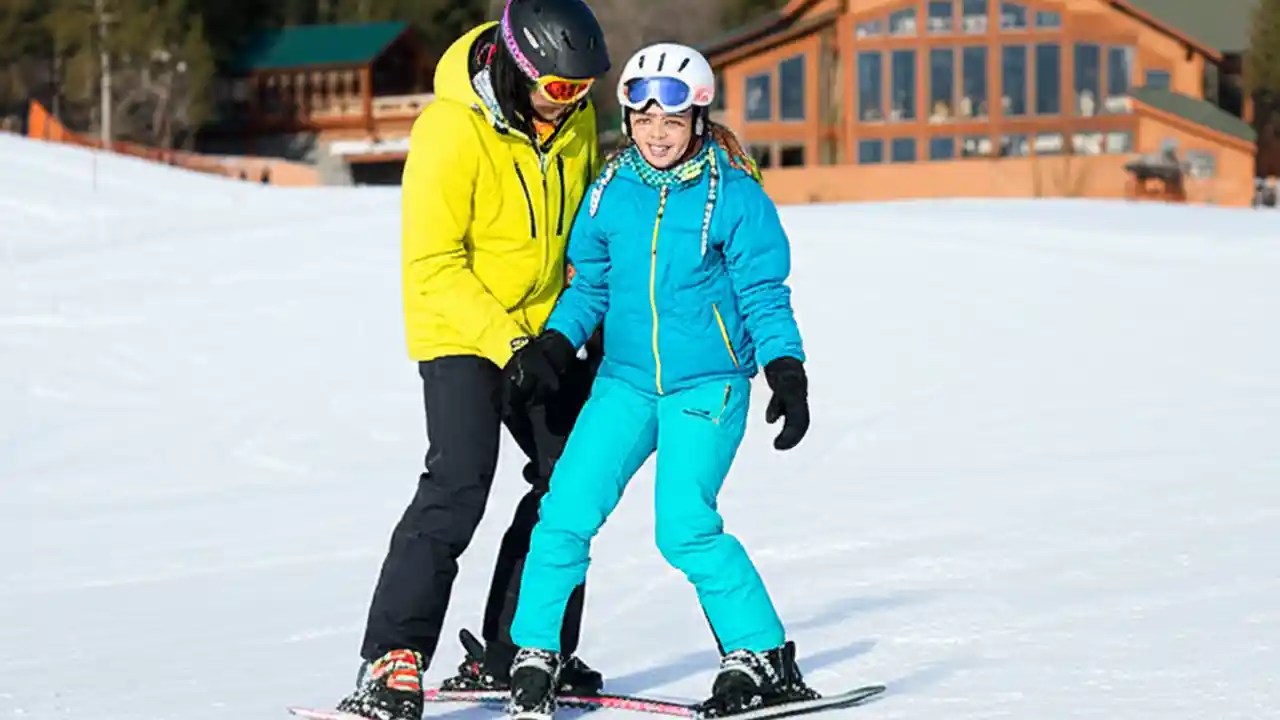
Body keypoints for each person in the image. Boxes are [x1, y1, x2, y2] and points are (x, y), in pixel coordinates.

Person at [498, 43, 816, 720]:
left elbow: (764, 292)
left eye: (670, 120)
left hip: (708, 387)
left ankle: (759, 652)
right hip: (625, 384)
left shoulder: (734, 195)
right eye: (642, 119)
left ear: (697, 117)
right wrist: (553, 348)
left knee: (684, 527)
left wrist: (787, 369)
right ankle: (534, 652)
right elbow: (591, 288)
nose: (656, 133)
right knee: (564, 511)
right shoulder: (612, 191)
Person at [335, 2, 612, 720]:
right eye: (558, 89)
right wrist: (510, 344)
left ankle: (523, 646)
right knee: (458, 482)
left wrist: (583, 323)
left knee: (572, 483)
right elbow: (434, 262)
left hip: (541, 329)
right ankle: (391, 656)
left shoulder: (572, 123)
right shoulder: (449, 129)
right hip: (458, 325)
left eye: (582, 91)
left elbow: (584, 227)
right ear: (518, 71)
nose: (570, 105)